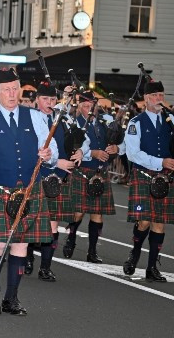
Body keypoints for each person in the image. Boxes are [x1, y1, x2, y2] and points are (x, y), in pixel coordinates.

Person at [0, 68, 56, 315]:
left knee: (20, 245)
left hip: (29, 189)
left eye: (15, 88)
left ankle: (12, 298)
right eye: (7, 89)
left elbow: (51, 154)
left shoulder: (36, 117)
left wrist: (49, 155)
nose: (12, 93)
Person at [34, 81, 86, 281]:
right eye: (45, 99)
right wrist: (58, 163)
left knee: (53, 224)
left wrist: (81, 150)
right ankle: (28, 256)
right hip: (38, 176)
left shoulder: (64, 119)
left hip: (58, 180)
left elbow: (83, 138)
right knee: (32, 221)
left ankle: (45, 267)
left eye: (53, 99)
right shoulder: (31, 118)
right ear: (37, 99)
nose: (49, 102)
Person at [123, 80, 173, 282]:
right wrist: (161, 161)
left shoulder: (171, 120)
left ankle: (151, 267)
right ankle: (134, 253)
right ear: (145, 99)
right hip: (144, 175)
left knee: (159, 224)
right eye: (154, 96)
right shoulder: (136, 123)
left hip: (165, 179)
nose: (159, 99)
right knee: (144, 221)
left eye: (161, 95)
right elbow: (133, 154)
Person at [63, 91, 120, 263]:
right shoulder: (74, 123)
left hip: (100, 174)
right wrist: (92, 153)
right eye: (86, 106)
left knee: (97, 214)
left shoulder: (104, 123)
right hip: (82, 171)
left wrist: (115, 149)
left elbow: (120, 143)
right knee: (78, 213)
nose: (89, 109)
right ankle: (71, 238)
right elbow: (71, 149)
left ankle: (92, 251)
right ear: (79, 106)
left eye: (92, 106)